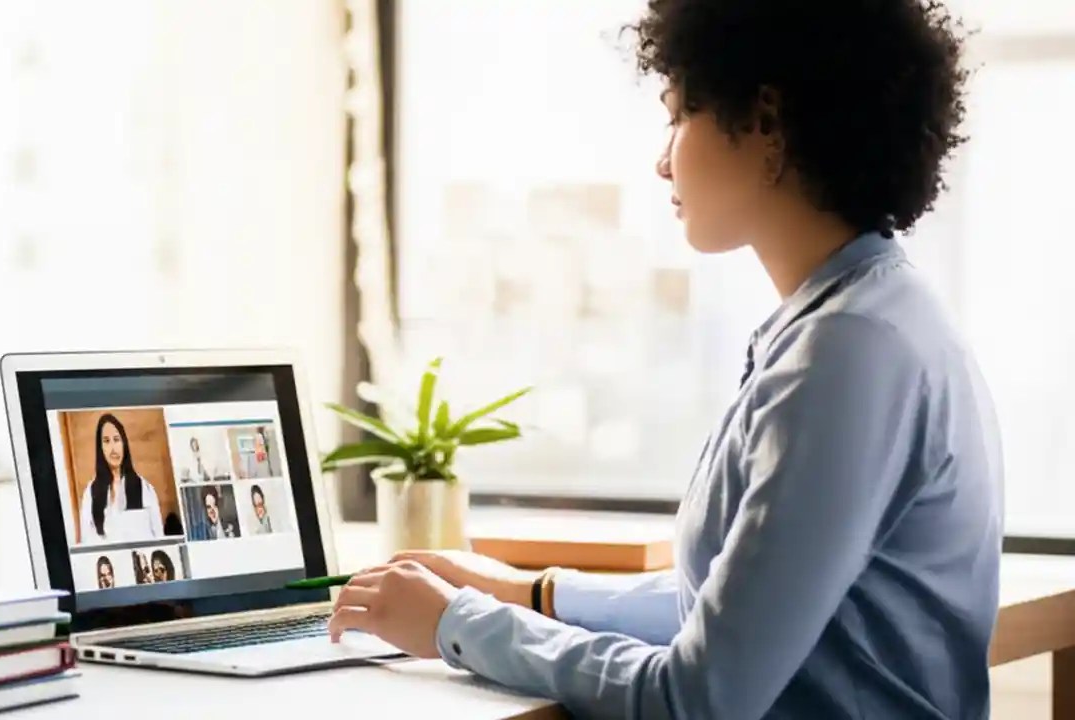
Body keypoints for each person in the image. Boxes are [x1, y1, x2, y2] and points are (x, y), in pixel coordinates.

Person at [326, 2, 1003, 718]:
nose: (662, 158)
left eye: (677, 116)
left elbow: (697, 698)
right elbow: (729, 602)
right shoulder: (860, 318)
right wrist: (522, 590)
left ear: (766, 124)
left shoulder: (848, 355)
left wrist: (456, 626)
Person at [78, 413, 164, 544]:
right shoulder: (90, 493)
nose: (113, 449)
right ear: (100, 448)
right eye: (106, 441)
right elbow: (87, 541)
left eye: (117, 440)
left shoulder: (144, 488)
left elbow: (158, 538)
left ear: (124, 444)